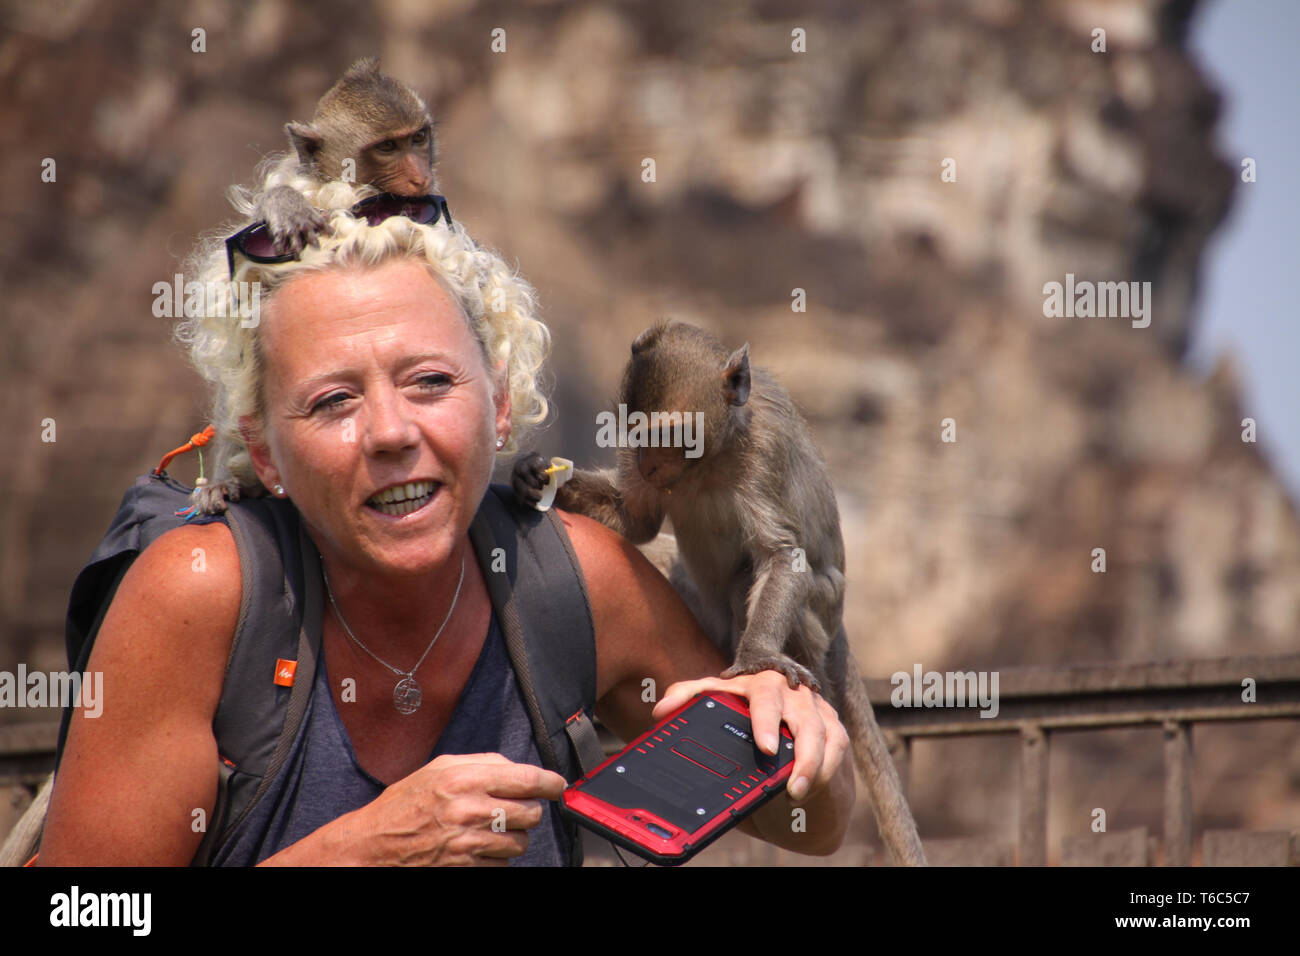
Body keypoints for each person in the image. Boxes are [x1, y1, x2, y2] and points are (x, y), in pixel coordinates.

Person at [36, 184, 855, 865]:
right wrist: (353, 853)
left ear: (499, 406)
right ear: (266, 453)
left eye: (429, 382)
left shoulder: (569, 578)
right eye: (333, 401)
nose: (391, 431)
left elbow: (811, 825)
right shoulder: (203, 595)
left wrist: (806, 744)